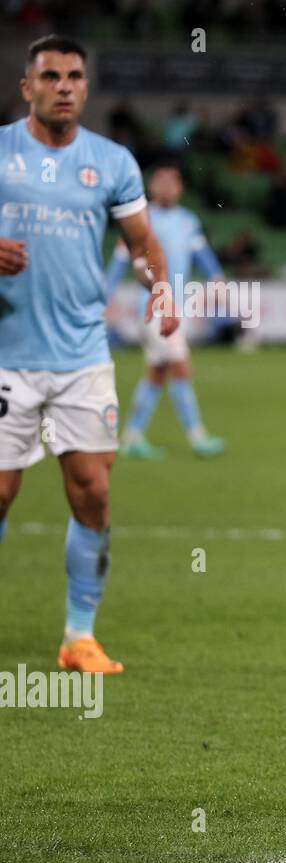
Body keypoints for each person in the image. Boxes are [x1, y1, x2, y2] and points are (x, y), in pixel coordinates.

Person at [0, 35, 177, 674]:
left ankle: (80, 637)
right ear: (28, 87)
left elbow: (141, 239)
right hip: (6, 356)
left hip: (81, 356)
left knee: (94, 494)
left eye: (75, 75)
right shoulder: (0, 151)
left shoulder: (111, 162)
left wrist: (161, 287)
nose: (65, 85)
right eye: (51, 76)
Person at [105, 162, 226, 459]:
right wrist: (103, 297)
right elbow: (121, 261)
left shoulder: (188, 221)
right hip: (153, 307)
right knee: (181, 368)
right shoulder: (140, 220)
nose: (168, 187)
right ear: (152, 187)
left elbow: (203, 255)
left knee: (157, 373)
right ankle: (197, 435)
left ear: (180, 188)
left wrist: (217, 278)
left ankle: (132, 436)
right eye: (162, 182)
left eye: (173, 182)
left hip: (178, 306)